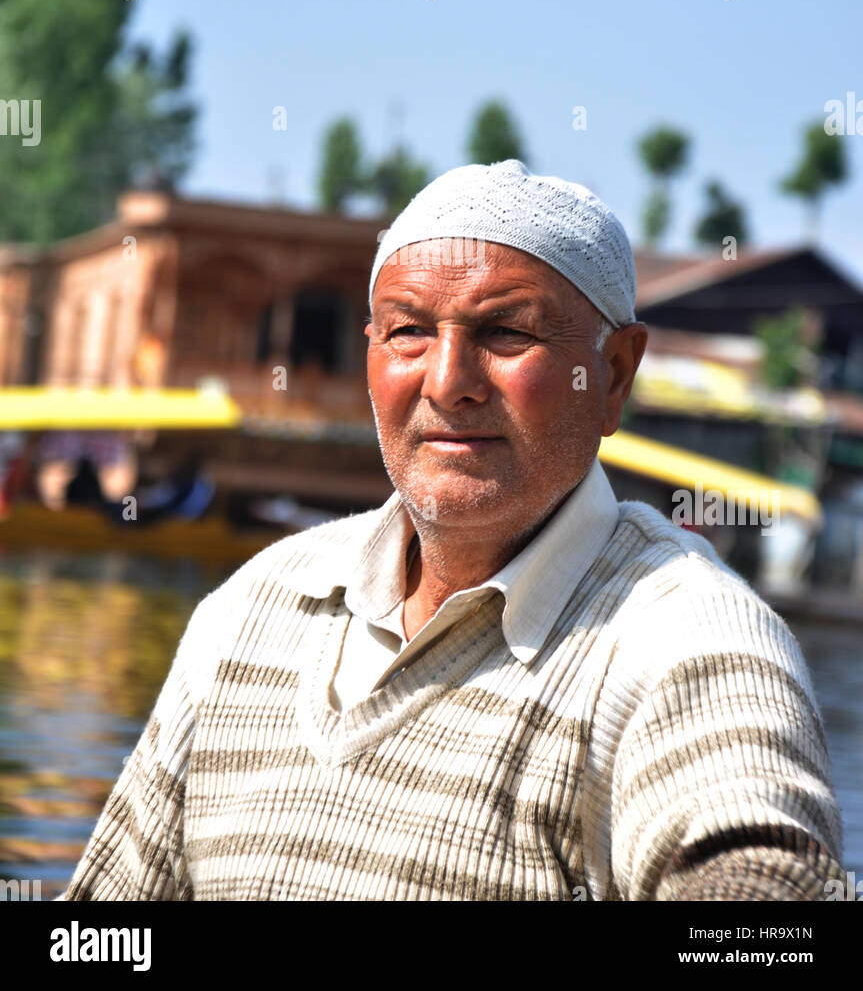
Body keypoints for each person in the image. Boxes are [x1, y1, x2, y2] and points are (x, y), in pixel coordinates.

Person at [61, 160, 845, 901]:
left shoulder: (684, 642)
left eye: (507, 334)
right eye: (407, 332)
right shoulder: (251, 611)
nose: (447, 383)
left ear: (612, 376)